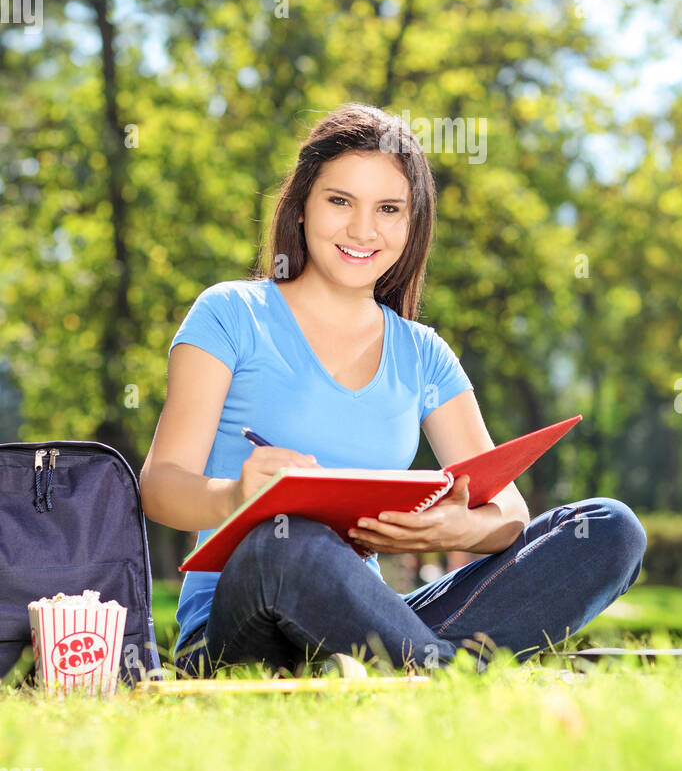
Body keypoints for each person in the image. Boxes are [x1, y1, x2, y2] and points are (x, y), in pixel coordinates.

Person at [139, 103, 647, 675]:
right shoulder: (232, 313)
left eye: (388, 209)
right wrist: (236, 498)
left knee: (608, 529)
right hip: (242, 621)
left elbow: (508, 509)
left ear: (412, 224)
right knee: (285, 538)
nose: (363, 229)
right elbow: (160, 487)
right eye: (339, 201)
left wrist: (463, 527)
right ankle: (447, 674)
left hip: (370, 623)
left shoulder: (423, 353)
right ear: (302, 207)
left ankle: (414, 670)